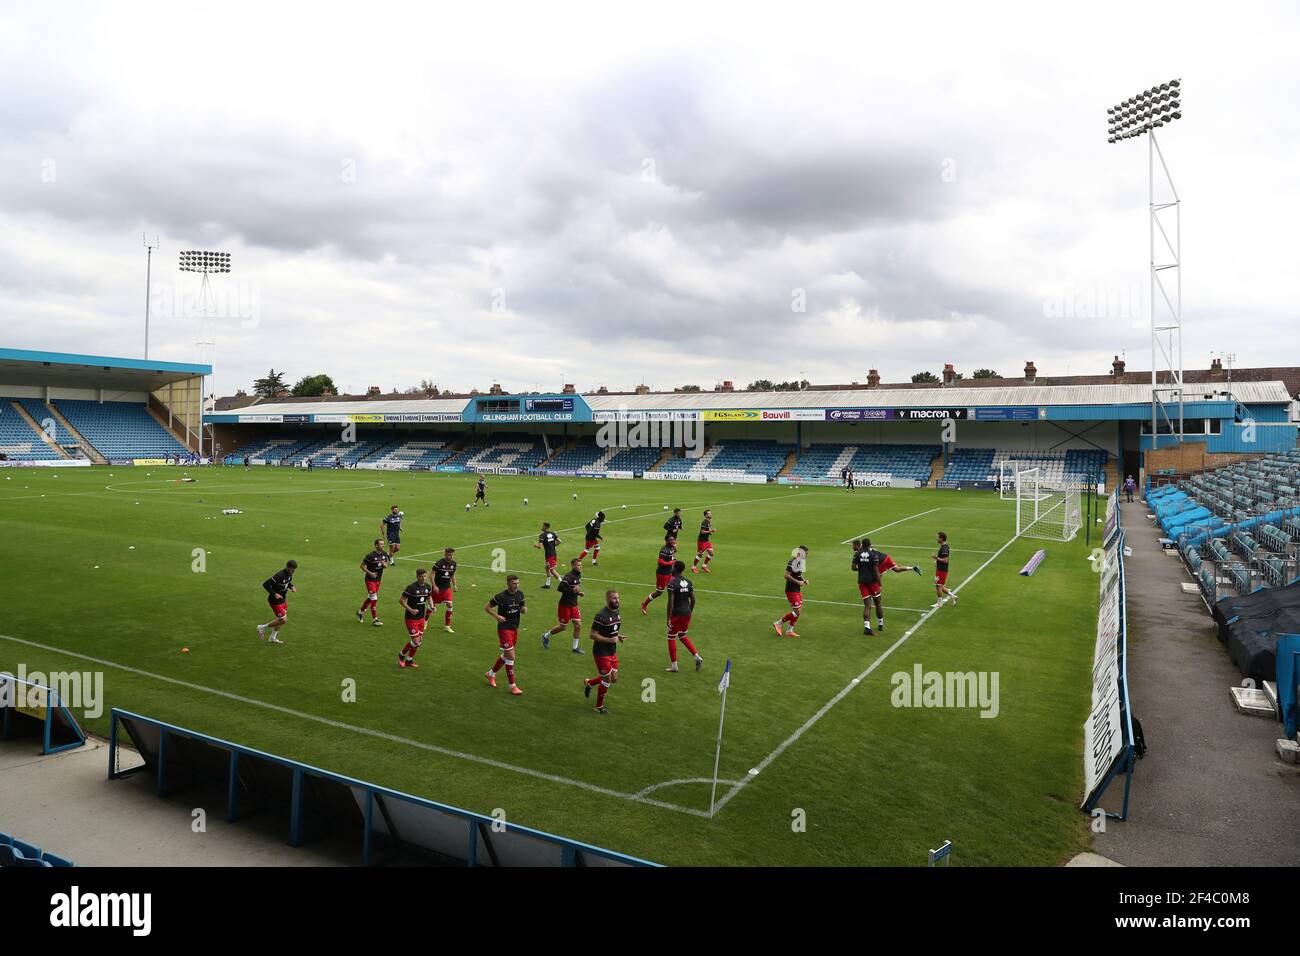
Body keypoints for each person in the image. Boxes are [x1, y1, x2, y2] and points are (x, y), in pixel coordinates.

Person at [852, 538, 921, 635]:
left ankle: (868, 626)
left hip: (878, 565)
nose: (852, 547)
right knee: (896, 570)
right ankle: (880, 624)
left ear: (859, 545)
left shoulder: (859, 554)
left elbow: (873, 570)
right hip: (883, 560)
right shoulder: (870, 552)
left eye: (853, 546)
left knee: (869, 604)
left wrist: (878, 583)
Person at [583, 591, 626, 715]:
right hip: (601, 652)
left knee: (614, 678)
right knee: (607, 679)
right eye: (614, 598)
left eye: (618, 598)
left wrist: (618, 636)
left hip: (612, 651)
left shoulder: (617, 613)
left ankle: (589, 683)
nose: (617, 600)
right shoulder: (601, 616)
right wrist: (610, 640)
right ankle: (598, 707)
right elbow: (592, 635)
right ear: (607, 599)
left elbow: (612, 630)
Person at [484, 575, 526, 695]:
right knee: (511, 657)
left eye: (517, 583)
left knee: (507, 655)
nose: (516, 585)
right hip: (504, 629)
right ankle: (512, 686)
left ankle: (491, 674)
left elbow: (522, 606)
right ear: (508, 584)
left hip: (514, 628)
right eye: (514, 583)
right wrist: (496, 616)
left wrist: (524, 609)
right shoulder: (501, 596)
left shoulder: (520, 594)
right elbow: (487, 607)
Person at [664, 560, 703, 672]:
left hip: (676, 614)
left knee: (671, 637)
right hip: (687, 613)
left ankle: (674, 666)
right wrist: (689, 611)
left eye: (673, 567)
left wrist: (668, 618)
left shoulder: (672, 584)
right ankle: (697, 656)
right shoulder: (688, 582)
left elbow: (670, 602)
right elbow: (693, 600)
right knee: (682, 635)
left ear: (675, 569)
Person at [541, 558, 585, 653]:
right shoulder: (568, 576)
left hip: (574, 605)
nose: (580, 567)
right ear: (573, 566)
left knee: (578, 625)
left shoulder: (578, 575)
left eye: (581, 565)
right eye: (578, 565)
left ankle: (575, 648)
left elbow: (573, 588)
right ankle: (546, 636)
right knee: (563, 627)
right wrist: (572, 590)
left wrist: (578, 593)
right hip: (565, 605)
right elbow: (560, 588)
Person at [396, 569, 433, 669]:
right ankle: (401, 654)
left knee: (419, 641)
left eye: (425, 576)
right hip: (411, 618)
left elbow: (429, 597)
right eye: (421, 576)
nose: (423, 578)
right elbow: (401, 600)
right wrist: (411, 610)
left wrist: (432, 605)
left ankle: (409, 660)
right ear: (417, 577)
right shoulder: (411, 588)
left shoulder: (427, 587)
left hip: (421, 617)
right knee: (416, 641)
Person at [257, 560, 298, 644]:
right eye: (291, 570)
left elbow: (287, 583)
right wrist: (274, 593)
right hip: (274, 601)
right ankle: (262, 627)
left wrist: (292, 587)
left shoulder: (289, 574)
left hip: (282, 600)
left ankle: (272, 638)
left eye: (294, 570)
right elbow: (265, 584)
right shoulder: (279, 575)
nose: (293, 572)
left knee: (280, 620)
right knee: (283, 620)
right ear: (287, 567)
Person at [774, 546, 809, 637]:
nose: (807, 555)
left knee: (798, 611)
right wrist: (798, 582)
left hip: (797, 589)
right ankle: (778, 623)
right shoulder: (792, 562)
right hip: (791, 590)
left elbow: (798, 575)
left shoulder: (800, 562)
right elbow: (786, 575)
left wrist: (803, 580)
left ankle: (789, 630)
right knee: (797, 612)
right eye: (806, 553)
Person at [640, 536, 678, 614]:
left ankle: (674, 608)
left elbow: (673, 553)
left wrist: (674, 548)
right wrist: (671, 563)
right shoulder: (664, 550)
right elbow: (660, 562)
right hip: (662, 573)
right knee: (659, 592)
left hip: (669, 573)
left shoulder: (671, 547)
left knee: (673, 589)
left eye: (673, 540)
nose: (672, 541)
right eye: (670, 540)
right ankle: (644, 604)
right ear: (666, 541)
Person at [357, 539, 389, 626]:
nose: (383, 545)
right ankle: (375, 619)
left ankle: (360, 612)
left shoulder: (385, 554)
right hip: (369, 580)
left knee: (370, 598)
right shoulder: (370, 556)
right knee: (374, 598)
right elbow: (362, 566)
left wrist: (384, 565)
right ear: (376, 545)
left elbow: (386, 565)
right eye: (381, 544)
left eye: (383, 544)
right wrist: (370, 573)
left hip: (378, 580)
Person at [432, 547, 458, 633]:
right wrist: (434, 586)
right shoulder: (439, 563)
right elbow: (432, 574)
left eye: (452, 555)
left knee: (449, 605)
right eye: (449, 555)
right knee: (432, 606)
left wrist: (454, 585)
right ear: (445, 554)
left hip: (447, 588)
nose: (451, 556)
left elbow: (452, 575)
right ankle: (425, 621)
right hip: (438, 588)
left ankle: (447, 626)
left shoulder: (454, 564)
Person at [932, 532, 958, 609]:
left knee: (938, 586)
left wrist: (936, 558)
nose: (936, 538)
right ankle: (953, 596)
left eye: (937, 537)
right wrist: (936, 561)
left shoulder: (944, 548)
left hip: (942, 570)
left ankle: (939, 603)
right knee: (941, 586)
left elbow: (945, 560)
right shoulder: (943, 546)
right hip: (940, 569)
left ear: (941, 538)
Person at [535, 522, 562, 588]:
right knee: (547, 567)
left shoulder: (542, 535)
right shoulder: (553, 533)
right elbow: (559, 541)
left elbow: (540, 547)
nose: (542, 527)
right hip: (553, 553)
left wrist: (535, 545)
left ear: (545, 527)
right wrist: (552, 545)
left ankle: (563, 583)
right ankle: (547, 584)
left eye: (543, 526)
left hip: (549, 555)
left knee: (552, 570)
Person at [691, 509, 716, 573]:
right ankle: (693, 567)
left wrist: (710, 532)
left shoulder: (708, 522)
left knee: (711, 553)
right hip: (701, 541)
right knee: (700, 555)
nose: (710, 514)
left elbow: (707, 530)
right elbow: (702, 532)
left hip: (706, 541)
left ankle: (704, 566)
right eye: (709, 513)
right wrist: (710, 531)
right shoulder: (704, 522)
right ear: (706, 515)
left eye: (710, 513)